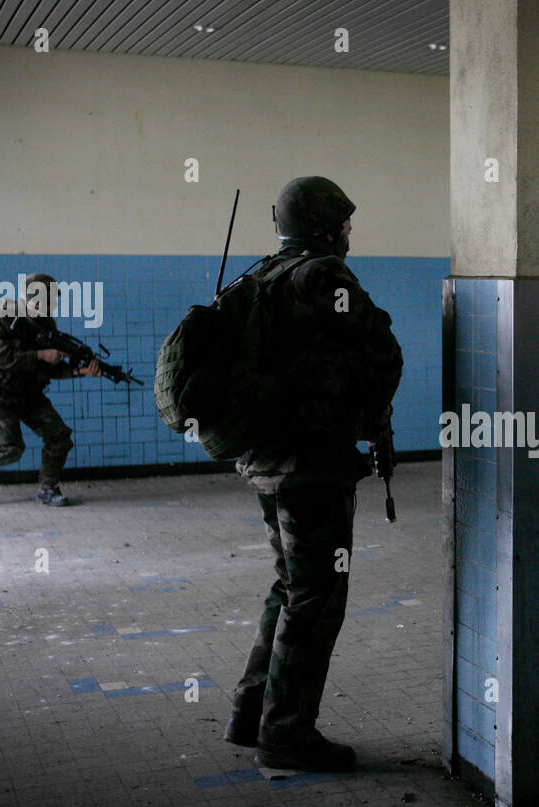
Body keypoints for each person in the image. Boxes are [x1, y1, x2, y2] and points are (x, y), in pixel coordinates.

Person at [224, 176, 403, 773]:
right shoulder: (323, 277)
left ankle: (251, 713)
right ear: (326, 228)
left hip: (265, 459)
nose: (350, 232)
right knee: (317, 596)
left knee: (290, 585)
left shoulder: (260, 275)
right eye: (345, 223)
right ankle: (287, 732)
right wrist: (367, 414)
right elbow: (380, 352)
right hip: (311, 465)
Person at [0, 274, 101, 507]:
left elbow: (50, 367)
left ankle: (48, 489)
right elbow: (1, 358)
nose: (55, 305)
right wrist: (42, 354)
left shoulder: (46, 324)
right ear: (37, 300)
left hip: (27, 392)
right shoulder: (1, 315)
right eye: (52, 300)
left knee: (59, 436)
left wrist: (80, 371)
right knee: (10, 449)